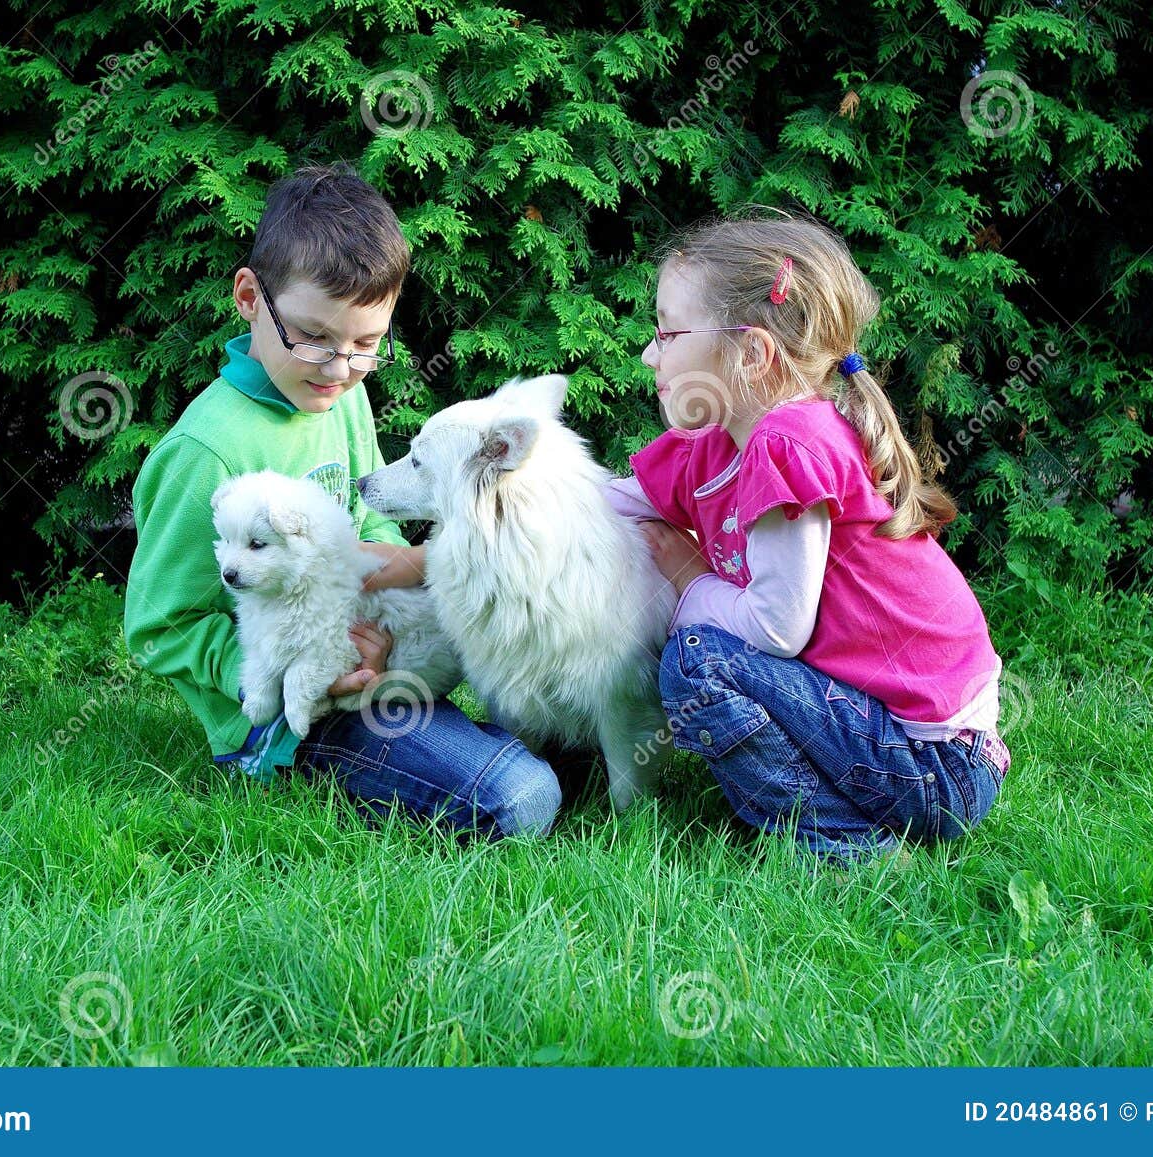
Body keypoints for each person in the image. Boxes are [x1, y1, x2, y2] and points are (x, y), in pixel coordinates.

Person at [123, 163, 561, 837]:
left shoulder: (342, 395)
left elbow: (369, 518)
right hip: (291, 721)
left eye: (366, 344)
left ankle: (470, 745)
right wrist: (292, 669)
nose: (339, 367)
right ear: (248, 296)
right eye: (313, 336)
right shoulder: (204, 453)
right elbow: (159, 625)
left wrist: (381, 626)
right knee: (524, 797)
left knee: (570, 734)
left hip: (378, 665)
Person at [607, 213, 1010, 864]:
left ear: (752, 354)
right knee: (702, 651)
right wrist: (518, 485)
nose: (650, 353)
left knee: (698, 660)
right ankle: (843, 819)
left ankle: (848, 848)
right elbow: (614, 500)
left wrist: (687, 582)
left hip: (938, 765)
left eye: (668, 331)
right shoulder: (717, 442)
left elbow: (775, 628)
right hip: (900, 740)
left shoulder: (789, 440)